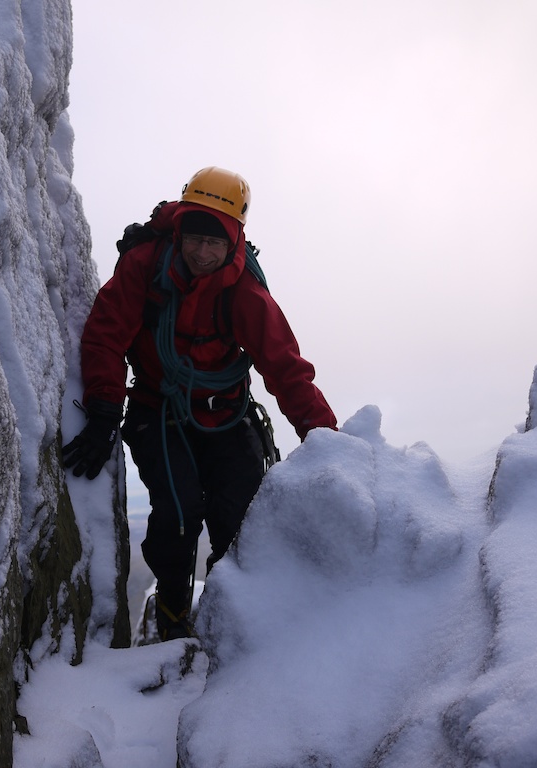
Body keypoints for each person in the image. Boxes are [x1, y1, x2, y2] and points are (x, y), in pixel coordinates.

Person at [62, 166, 337, 640]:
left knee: (243, 519)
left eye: (214, 243)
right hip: (157, 409)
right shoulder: (146, 264)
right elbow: (106, 334)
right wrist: (105, 407)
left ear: (234, 241)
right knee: (178, 513)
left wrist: (328, 443)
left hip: (225, 414)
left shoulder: (244, 292)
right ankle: (173, 616)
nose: (202, 253)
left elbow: (286, 370)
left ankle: (227, 622)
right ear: (179, 230)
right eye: (194, 238)